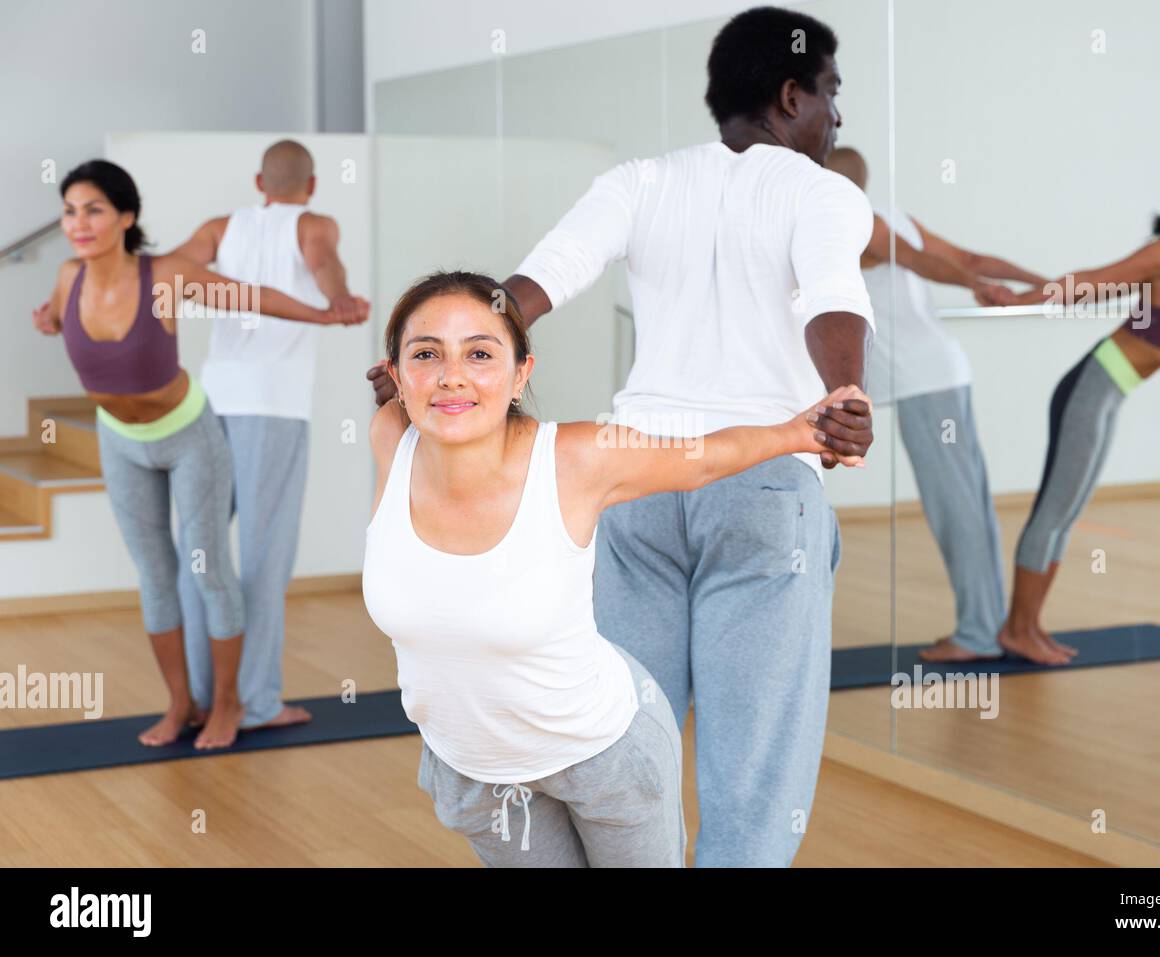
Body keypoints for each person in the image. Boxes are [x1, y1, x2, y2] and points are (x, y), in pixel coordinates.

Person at [372, 6, 876, 867]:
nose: (838, 117)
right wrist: (843, 394)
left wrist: (428, 360)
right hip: (761, 486)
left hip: (630, 489)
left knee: (609, 726)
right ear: (791, 97)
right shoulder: (824, 191)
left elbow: (532, 287)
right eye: (832, 95)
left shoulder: (641, 181)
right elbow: (832, 295)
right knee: (752, 771)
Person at [363, 270, 866, 867]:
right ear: (394, 373)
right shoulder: (393, 438)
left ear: (522, 371)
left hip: (602, 754)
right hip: (475, 770)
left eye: (479, 353)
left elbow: (703, 461)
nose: (452, 375)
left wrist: (799, 431)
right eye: (426, 354)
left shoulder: (575, 459)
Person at [32, 159, 365, 748]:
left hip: (189, 435)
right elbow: (58, 317)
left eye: (94, 210)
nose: (78, 223)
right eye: (69, 211)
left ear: (125, 217)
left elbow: (252, 296)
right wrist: (48, 320)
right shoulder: (67, 276)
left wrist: (324, 312)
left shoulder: (164, 276)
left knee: (208, 568)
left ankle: (231, 705)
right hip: (120, 439)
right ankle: (181, 703)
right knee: (157, 575)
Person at [999, 165, 1160, 665]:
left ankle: (1031, 626)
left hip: (1112, 393)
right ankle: (1016, 629)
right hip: (1091, 389)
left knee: (1067, 515)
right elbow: (1091, 283)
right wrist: (1018, 298)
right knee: (1053, 511)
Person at [164, 139, 365, 732]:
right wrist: (340, 301)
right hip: (273, 409)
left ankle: (201, 695)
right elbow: (325, 260)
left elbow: (166, 270)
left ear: (259, 183)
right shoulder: (315, 223)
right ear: (313, 185)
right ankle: (254, 703)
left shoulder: (220, 228)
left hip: (209, 402)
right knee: (264, 556)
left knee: (198, 550)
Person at [826, 146, 1050, 661]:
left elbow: (932, 263)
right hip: (941, 375)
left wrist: (980, 284)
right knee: (968, 506)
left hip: (921, 382)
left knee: (957, 512)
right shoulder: (892, 219)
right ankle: (989, 624)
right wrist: (1043, 284)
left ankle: (977, 633)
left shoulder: (860, 226)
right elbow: (968, 257)